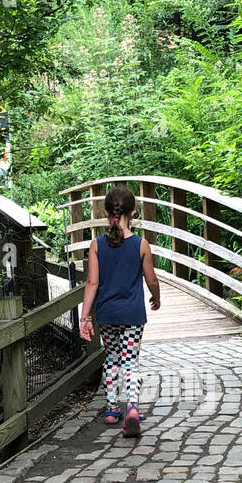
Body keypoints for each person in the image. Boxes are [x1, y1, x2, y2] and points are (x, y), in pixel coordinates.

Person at [79, 183, 160, 438]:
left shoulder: (96, 245)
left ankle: (112, 409)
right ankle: (133, 407)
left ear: (106, 211)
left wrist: (85, 316)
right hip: (133, 315)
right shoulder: (141, 244)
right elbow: (152, 280)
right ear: (133, 212)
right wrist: (156, 298)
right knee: (130, 360)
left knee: (112, 357)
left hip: (107, 314)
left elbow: (92, 282)